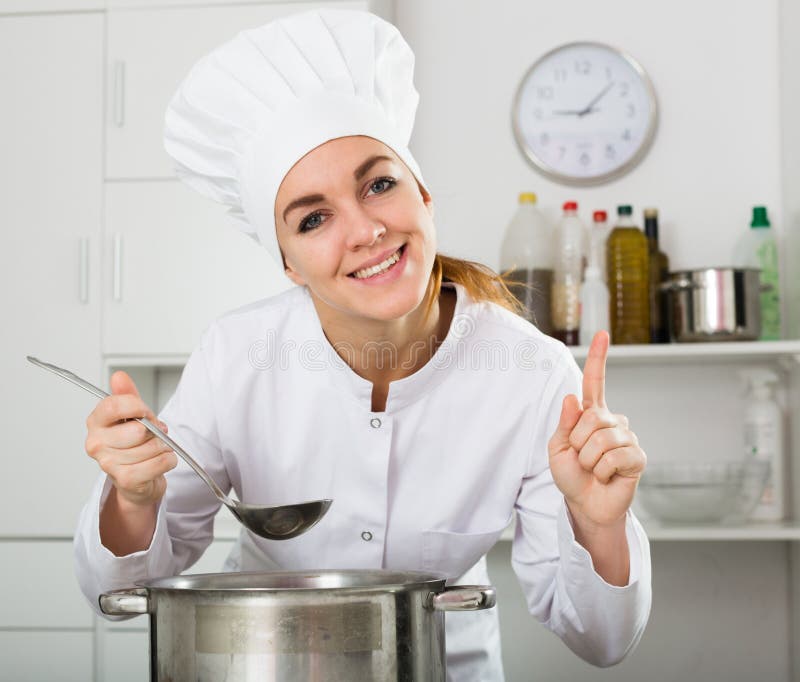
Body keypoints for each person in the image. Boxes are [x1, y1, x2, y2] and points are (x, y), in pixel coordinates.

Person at [74, 8, 651, 680]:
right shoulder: (238, 354)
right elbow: (109, 593)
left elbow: (604, 643)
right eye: (314, 218)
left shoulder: (531, 373)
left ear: (424, 195)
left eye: (379, 184)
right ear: (288, 262)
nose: (365, 230)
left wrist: (599, 524)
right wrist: (133, 500)